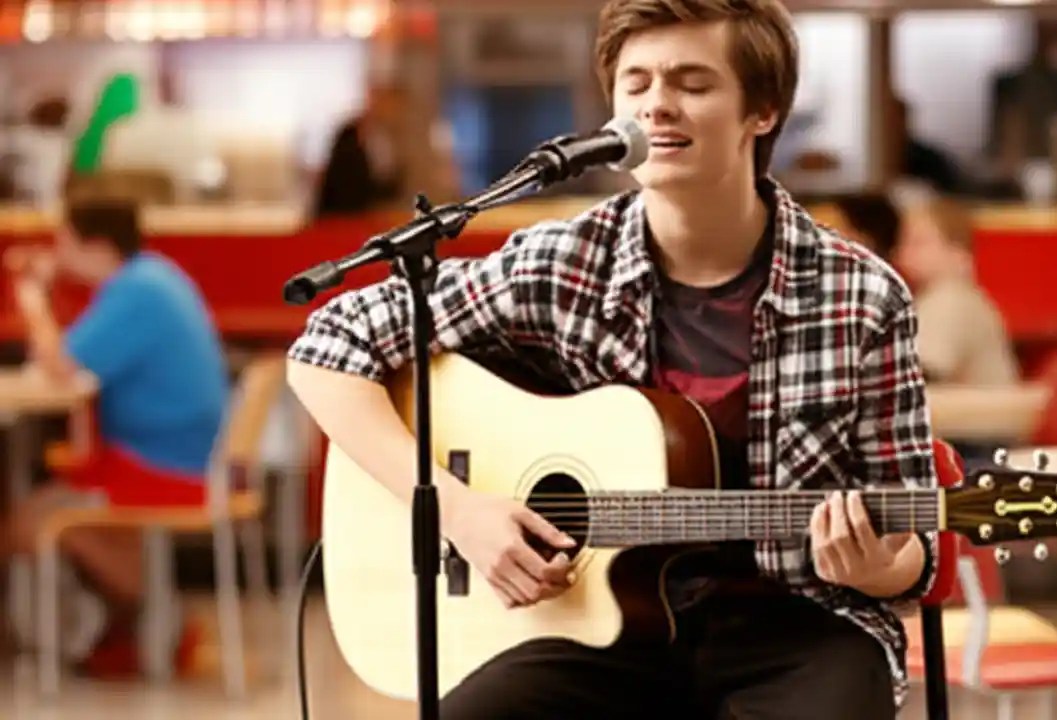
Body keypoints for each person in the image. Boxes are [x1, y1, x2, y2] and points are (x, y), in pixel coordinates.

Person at [286, 0, 938, 717]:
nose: (657, 106)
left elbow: (911, 548)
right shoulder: (564, 262)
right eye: (637, 84)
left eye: (692, 83)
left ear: (763, 111)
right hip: (592, 629)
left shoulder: (862, 295)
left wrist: (884, 566)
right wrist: (454, 510)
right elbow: (325, 349)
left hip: (801, 627)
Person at [0, 199, 229, 676]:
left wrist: (32, 296)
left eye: (64, 241)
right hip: (188, 456)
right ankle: (130, 624)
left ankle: (144, 617)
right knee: (39, 513)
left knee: (27, 523)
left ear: (96, 245)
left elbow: (60, 368)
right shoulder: (154, 277)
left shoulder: (136, 292)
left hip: (163, 466)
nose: (57, 253)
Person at [891, 196, 1019, 387]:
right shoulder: (956, 295)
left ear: (958, 252)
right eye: (903, 242)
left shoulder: (949, 298)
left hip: (978, 416)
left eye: (918, 242)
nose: (902, 252)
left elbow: (922, 375)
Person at [312, 83, 406, 218]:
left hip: (367, 214)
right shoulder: (350, 133)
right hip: (341, 215)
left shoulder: (386, 139)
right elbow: (341, 182)